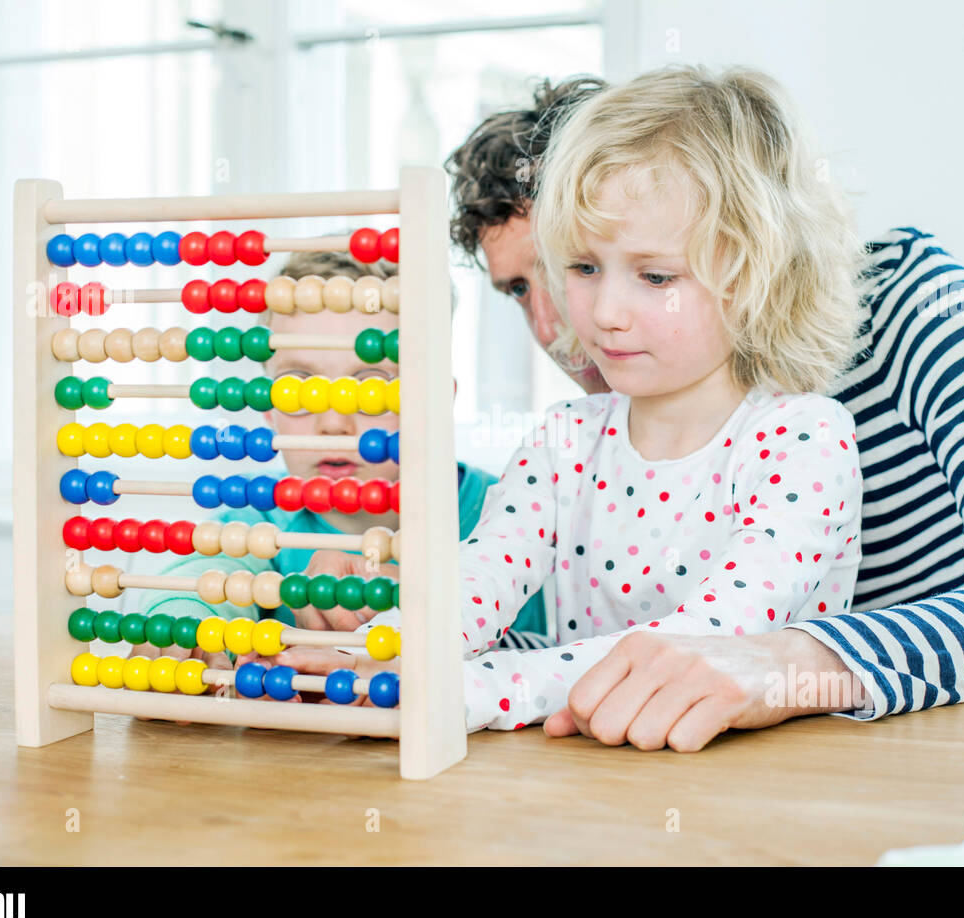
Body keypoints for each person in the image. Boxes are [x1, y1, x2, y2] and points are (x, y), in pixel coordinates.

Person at [427, 66, 964, 750]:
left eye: (652, 271)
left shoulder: (910, 311)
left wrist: (794, 663)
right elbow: (607, 663)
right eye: (545, 280)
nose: (564, 327)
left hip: (945, 774)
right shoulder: (600, 421)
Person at [279, 65, 868, 735]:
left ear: (757, 273)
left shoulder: (805, 441)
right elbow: (479, 580)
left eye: (654, 275)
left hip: (759, 786)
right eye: (584, 268)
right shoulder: (564, 439)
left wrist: (459, 691)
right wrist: (381, 653)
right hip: (585, 780)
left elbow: (700, 643)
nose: (603, 312)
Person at [127, 248, 547, 690]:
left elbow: (545, 651)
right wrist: (182, 620)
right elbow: (196, 576)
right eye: (298, 388)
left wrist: (416, 604)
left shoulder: (504, 515)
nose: (331, 423)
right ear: (269, 407)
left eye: (369, 388)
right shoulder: (258, 527)